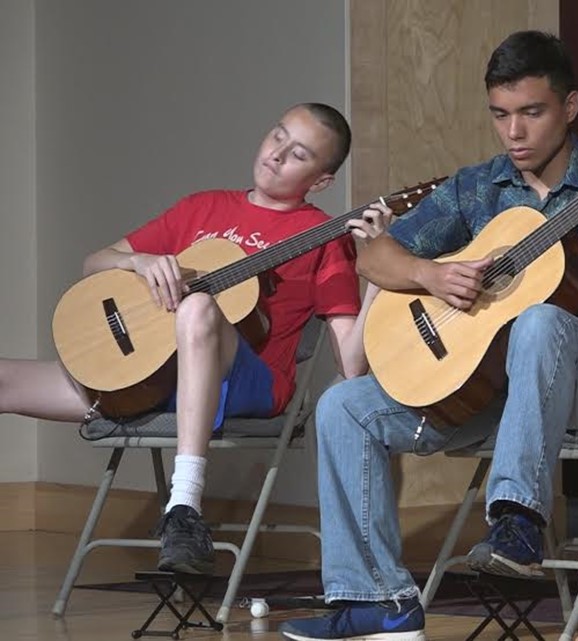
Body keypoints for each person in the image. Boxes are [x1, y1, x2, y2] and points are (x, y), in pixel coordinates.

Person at [279, 30, 578, 641]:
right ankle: (379, 602)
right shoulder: (478, 187)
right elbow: (374, 258)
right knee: (344, 406)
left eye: (532, 113)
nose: (515, 133)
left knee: (539, 320)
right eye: (501, 116)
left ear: (570, 107)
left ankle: (516, 520)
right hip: (496, 396)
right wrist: (432, 273)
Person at [0, 103, 377, 576]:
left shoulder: (322, 237)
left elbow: (352, 364)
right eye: (277, 135)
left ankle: (184, 508)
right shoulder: (203, 207)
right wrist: (137, 263)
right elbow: (94, 263)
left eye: (297, 154)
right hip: (159, 372)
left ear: (321, 181)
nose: (276, 154)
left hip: (252, 383)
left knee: (198, 306)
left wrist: (378, 268)